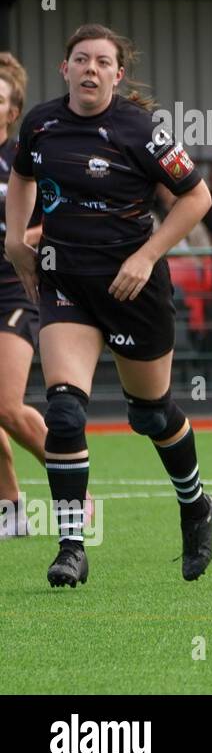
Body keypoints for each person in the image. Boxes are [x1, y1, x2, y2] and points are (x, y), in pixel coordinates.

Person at [4, 24, 212, 586]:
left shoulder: (142, 130)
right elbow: (22, 176)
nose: (91, 69)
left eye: (103, 61)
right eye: (81, 59)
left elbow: (198, 197)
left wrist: (147, 256)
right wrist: (14, 238)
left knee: (150, 415)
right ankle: (71, 547)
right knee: (65, 412)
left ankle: (196, 506)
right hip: (65, 281)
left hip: (133, 287)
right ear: (65, 68)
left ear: (118, 75)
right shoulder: (41, 123)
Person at [0, 53, 48, 539]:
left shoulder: (24, 159)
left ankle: (76, 484)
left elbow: (58, 210)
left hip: (15, 286)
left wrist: (27, 236)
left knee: (6, 405)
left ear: (12, 112)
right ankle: (11, 512)